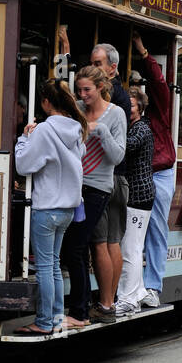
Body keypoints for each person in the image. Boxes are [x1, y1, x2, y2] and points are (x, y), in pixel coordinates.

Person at [13, 79, 86, 335]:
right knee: (54, 265)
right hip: (67, 209)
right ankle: (55, 318)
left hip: (46, 207)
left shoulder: (44, 130)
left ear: (46, 102)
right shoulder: (76, 128)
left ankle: (44, 322)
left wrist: (24, 139)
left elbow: (24, 165)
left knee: (45, 267)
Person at [60, 65, 127, 327]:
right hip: (73, 186)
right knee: (75, 248)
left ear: (100, 87)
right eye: (79, 90)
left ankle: (82, 311)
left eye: (87, 90)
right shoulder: (77, 108)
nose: (83, 95)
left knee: (77, 247)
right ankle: (83, 307)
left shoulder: (116, 114)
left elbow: (118, 156)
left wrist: (101, 131)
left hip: (97, 189)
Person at [131, 31, 176, 307]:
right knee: (132, 232)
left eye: (139, 84)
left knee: (156, 229)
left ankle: (152, 287)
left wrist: (143, 52)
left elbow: (160, 84)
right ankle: (133, 286)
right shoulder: (128, 117)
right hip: (136, 176)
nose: (136, 89)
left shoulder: (158, 114)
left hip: (160, 174)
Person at [88, 42, 131, 317]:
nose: (93, 68)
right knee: (113, 242)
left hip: (105, 178)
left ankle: (105, 303)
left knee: (101, 243)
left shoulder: (110, 98)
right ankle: (109, 302)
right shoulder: (124, 96)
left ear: (112, 68)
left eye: (98, 64)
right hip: (119, 178)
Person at [115, 87, 156, 315]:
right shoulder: (137, 127)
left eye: (131, 105)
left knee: (130, 249)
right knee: (134, 247)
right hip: (140, 195)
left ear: (140, 107)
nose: (127, 109)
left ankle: (128, 298)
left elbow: (127, 146)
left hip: (138, 196)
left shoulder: (141, 129)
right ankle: (138, 292)